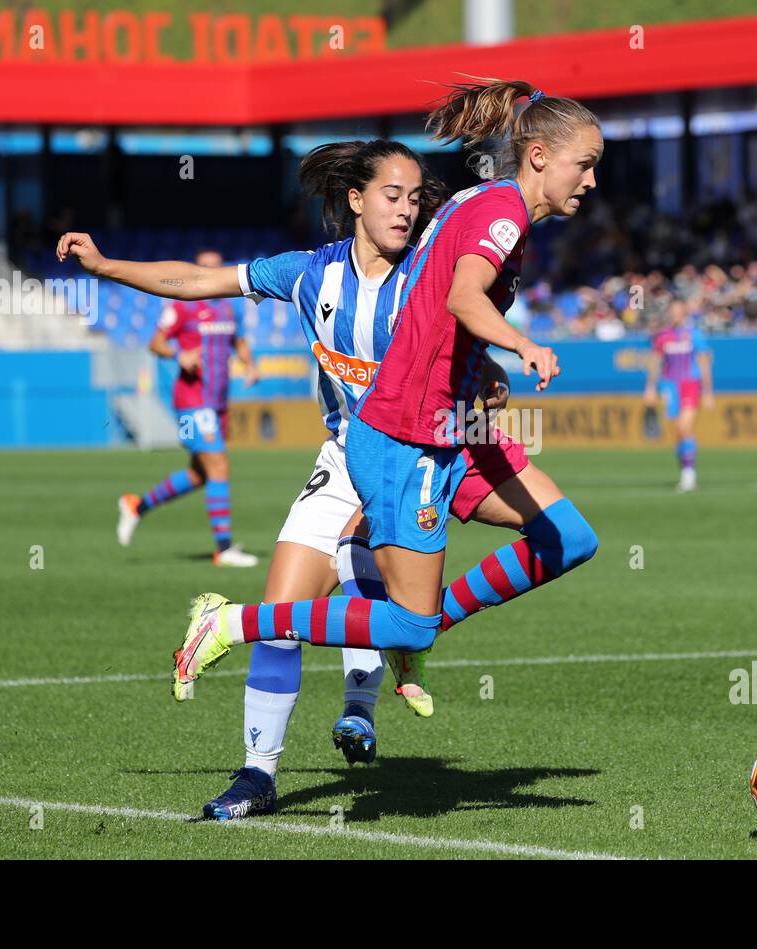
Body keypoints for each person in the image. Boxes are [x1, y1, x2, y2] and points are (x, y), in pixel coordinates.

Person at [58, 138, 519, 821]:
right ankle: (258, 774)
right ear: (356, 200)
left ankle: (362, 704)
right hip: (341, 460)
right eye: (390, 195)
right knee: (281, 616)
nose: (405, 209)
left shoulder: (430, 273)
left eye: (415, 197)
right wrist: (103, 266)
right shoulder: (309, 274)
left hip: (412, 461)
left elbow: (467, 338)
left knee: (392, 591)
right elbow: (193, 280)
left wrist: (487, 377)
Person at [170, 79, 602, 705]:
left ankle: (415, 635)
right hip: (409, 430)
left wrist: (480, 366)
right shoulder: (501, 214)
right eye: (584, 165)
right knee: (407, 618)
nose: (590, 181)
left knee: (570, 539)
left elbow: (431, 302)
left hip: (455, 426)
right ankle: (233, 622)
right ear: (539, 156)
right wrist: (521, 344)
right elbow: (460, 297)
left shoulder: (485, 202)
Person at [115, 249, 260, 566]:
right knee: (218, 465)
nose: (210, 271)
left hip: (218, 401)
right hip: (192, 402)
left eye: (215, 266)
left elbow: (239, 342)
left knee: (199, 474)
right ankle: (223, 549)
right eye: (204, 267)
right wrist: (178, 355)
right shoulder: (182, 307)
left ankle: (136, 506)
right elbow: (155, 343)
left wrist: (250, 365)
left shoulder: (227, 309)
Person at [644, 298, 714, 491]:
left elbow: (704, 362)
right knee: (678, 432)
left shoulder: (694, 334)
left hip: (690, 384)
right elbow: (656, 362)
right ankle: (685, 472)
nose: (674, 314)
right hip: (669, 386)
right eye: (672, 311)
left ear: (684, 313)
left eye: (678, 311)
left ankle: (690, 476)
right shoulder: (662, 336)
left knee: (685, 427)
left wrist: (708, 392)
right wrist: (650, 388)